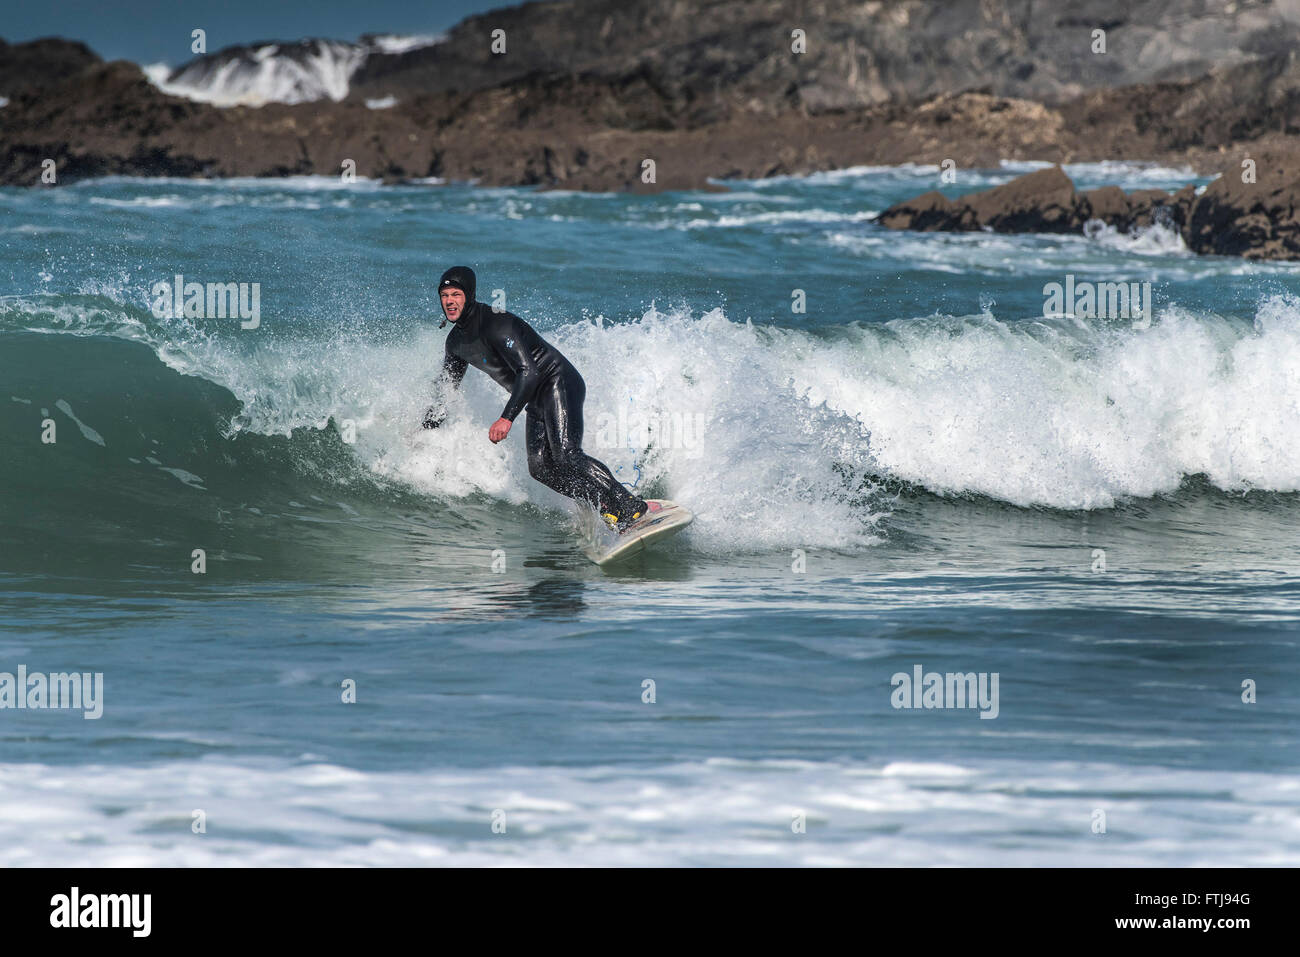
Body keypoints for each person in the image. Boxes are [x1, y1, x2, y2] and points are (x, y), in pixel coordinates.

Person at [422, 265, 657, 532]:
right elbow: (446, 389)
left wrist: (506, 418)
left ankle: (629, 504)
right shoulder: (455, 343)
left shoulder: (497, 323)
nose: (450, 301)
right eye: (444, 295)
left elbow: (529, 371)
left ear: (470, 295)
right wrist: (426, 428)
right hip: (533, 400)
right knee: (541, 469)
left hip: (557, 382)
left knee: (567, 454)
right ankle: (606, 506)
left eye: (456, 294)